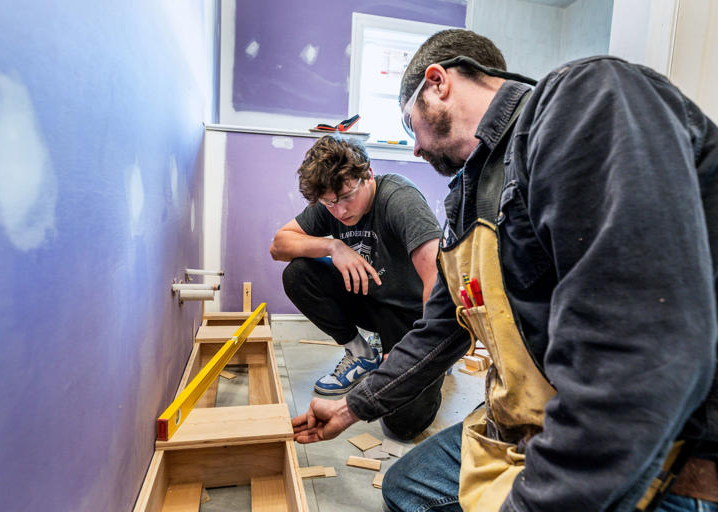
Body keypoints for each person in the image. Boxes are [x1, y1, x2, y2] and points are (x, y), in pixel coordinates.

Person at [292, 29, 718, 512]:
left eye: (410, 126)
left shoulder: (586, 103)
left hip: (657, 454)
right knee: (407, 490)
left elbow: (642, 362)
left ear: (437, 83)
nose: (413, 149)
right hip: (528, 421)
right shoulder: (468, 196)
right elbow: (437, 332)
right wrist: (352, 408)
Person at [270, 134, 443, 440]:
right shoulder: (332, 197)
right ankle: (361, 352)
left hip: (412, 315)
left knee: (404, 425)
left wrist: (419, 351)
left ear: (368, 175)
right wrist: (332, 246)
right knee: (297, 273)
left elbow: (437, 280)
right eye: (329, 203)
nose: (339, 211)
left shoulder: (399, 199)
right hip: (370, 298)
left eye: (347, 197)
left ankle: (435, 363)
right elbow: (279, 245)